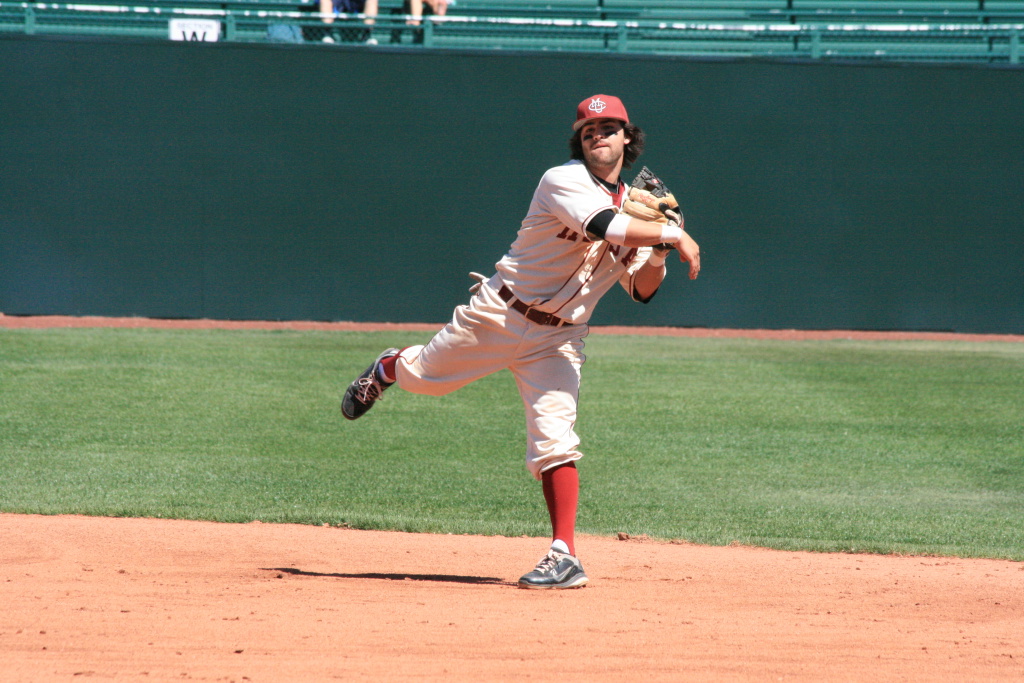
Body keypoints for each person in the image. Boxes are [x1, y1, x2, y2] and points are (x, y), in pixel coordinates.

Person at [340, 94, 700, 590]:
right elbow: (601, 225)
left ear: (627, 137)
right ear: (580, 138)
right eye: (590, 129)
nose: (599, 135)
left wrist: (658, 252)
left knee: (556, 441)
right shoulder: (563, 180)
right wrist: (671, 233)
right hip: (498, 315)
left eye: (610, 127)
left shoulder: (637, 211)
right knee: (425, 381)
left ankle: (564, 554)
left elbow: (641, 291)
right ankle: (387, 368)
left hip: (559, 340)